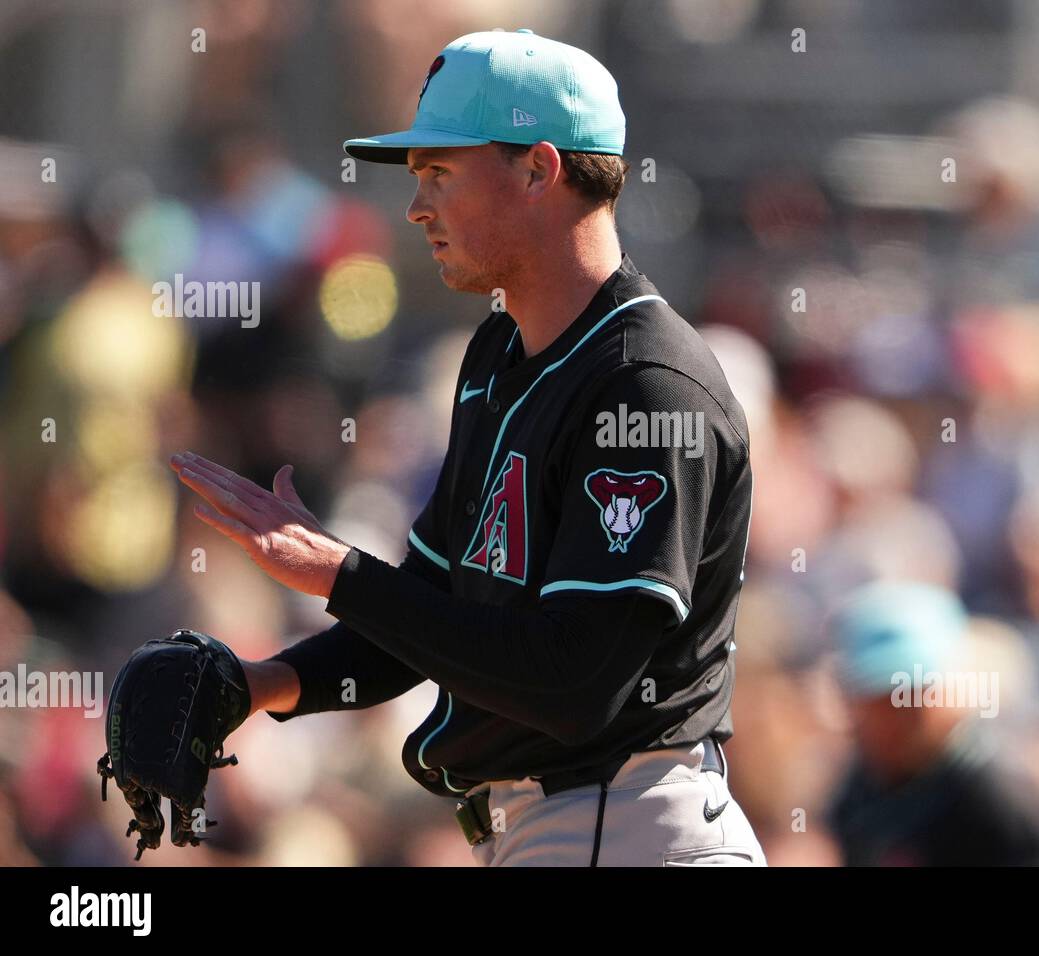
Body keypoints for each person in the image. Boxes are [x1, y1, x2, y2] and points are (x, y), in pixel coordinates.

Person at [168, 28, 766, 867]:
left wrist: (335, 572)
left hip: (625, 827)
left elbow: (572, 685)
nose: (416, 208)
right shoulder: (497, 356)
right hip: (544, 830)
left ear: (539, 169)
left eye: (440, 174)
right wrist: (264, 684)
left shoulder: (647, 384)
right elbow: (429, 610)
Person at [826, 580, 1039, 866]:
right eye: (879, 699)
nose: (899, 713)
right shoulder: (854, 797)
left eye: (914, 694)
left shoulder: (1005, 807)